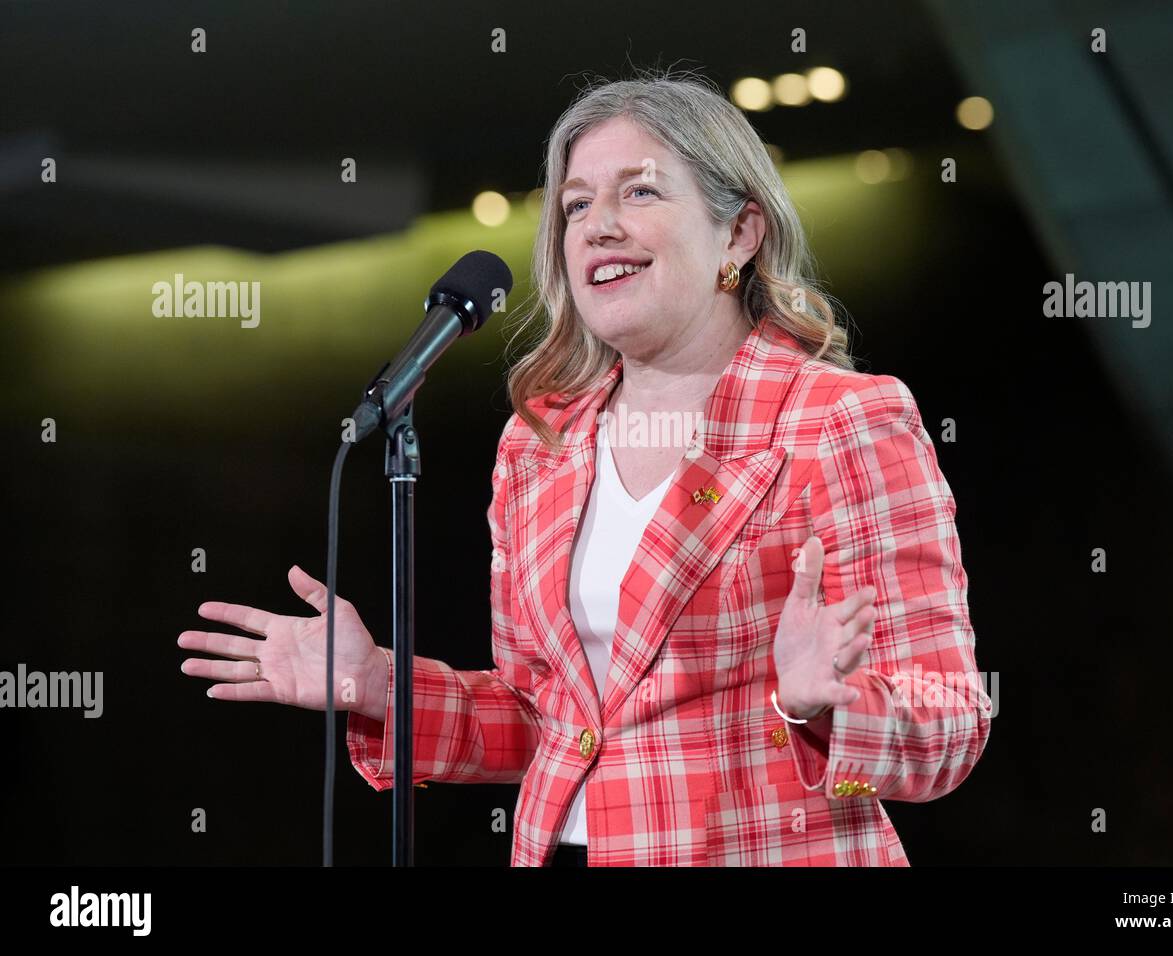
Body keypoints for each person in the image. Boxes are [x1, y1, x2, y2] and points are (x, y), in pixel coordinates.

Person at [178, 68, 992, 867]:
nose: (597, 224)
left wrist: (822, 705)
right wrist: (376, 685)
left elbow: (953, 719)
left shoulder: (840, 419)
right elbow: (545, 720)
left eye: (639, 192)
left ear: (739, 233)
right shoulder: (539, 447)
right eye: (575, 205)